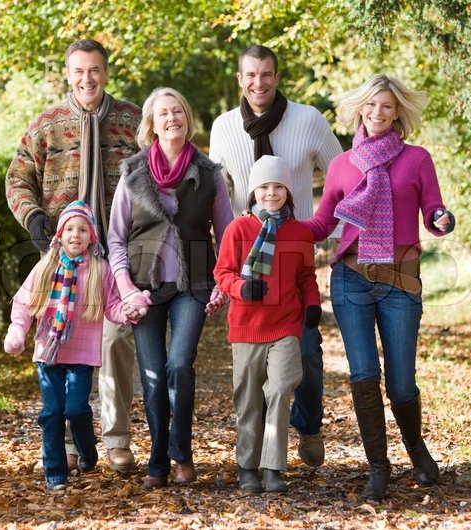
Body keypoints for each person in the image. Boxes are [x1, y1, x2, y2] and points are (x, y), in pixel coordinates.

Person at [303, 74, 455, 501]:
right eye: (371, 105)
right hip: (351, 280)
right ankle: (378, 468)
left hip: (400, 281)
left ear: (397, 111)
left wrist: (442, 219)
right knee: (364, 375)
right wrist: (280, 225)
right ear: (359, 109)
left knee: (402, 384)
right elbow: (323, 223)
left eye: (386, 106)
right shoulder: (341, 165)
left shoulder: (417, 159)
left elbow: (433, 209)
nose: (377, 112)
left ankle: (416, 448)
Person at [5, 38, 143, 472]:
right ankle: (65, 437)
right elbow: (17, 179)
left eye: (95, 69)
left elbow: (155, 178)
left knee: (115, 339)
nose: (87, 78)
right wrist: (33, 219)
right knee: (59, 338)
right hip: (61, 255)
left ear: (106, 72)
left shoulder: (133, 121)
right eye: (79, 71)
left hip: (116, 253)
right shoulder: (46, 125)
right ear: (68, 74)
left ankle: (117, 437)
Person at [208, 45, 343, 467]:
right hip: (247, 264)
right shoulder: (224, 127)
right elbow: (216, 193)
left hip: (293, 256)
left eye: (266, 74)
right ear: (239, 79)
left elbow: (342, 177)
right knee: (253, 372)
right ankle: (262, 453)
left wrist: (333, 234)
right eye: (250, 75)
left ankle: (309, 425)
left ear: (277, 77)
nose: (258, 83)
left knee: (307, 351)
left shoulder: (309, 120)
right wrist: (221, 255)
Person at [107, 87, 234, 489]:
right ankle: (158, 460)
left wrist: (223, 281)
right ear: (151, 124)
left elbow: (228, 235)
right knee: (152, 375)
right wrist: (126, 288)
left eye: (177, 110)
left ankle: (182, 455)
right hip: (143, 287)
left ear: (187, 118)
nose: (171, 118)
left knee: (179, 364)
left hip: (193, 285)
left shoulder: (209, 173)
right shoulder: (132, 172)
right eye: (163, 113)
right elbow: (115, 238)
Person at [3, 201, 145, 491]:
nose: (75, 235)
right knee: (53, 412)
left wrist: (128, 311)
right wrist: (17, 331)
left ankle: (87, 450)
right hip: (49, 352)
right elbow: (24, 303)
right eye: (69, 229)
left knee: (77, 410)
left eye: (82, 229)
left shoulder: (100, 269)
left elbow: (112, 306)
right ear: (60, 234)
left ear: (91, 236)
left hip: (81, 355)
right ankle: (55, 475)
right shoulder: (46, 267)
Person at [214, 155, 321, 493]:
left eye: (278, 187)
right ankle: (248, 467)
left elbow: (306, 276)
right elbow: (222, 272)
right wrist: (241, 288)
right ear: (253, 192)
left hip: (285, 326)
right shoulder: (238, 229)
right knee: (247, 400)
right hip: (247, 327)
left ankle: (273, 467)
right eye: (264, 187)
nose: (271, 193)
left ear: (288, 192)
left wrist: (313, 304)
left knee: (279, 389)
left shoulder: (300, 233)